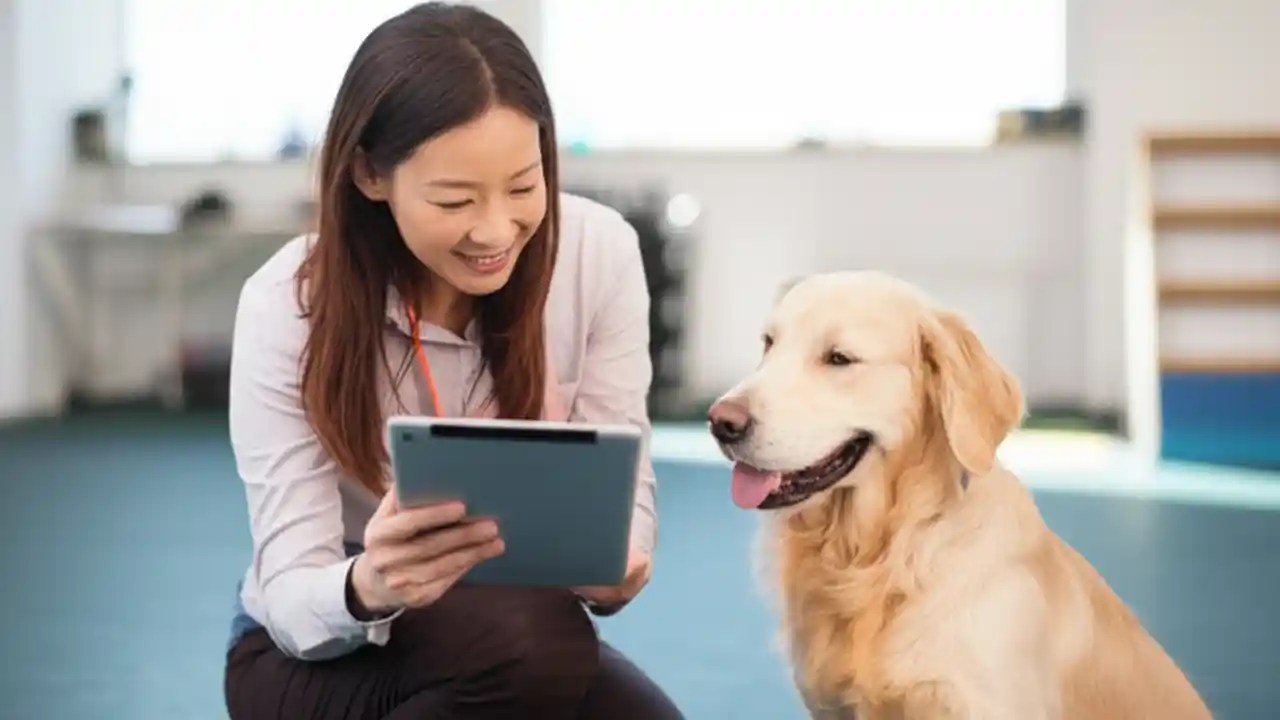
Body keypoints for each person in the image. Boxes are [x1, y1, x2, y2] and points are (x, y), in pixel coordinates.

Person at [221, 4, 683, 718]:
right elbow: (289, 594)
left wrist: (617, 563)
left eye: (525, 187)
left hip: (510, 627)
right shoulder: (288, 304)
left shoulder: (599, 252)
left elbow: (626, 469)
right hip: (315, 651)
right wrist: (372, 581)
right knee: (539, 644)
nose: (497, 230)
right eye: (455, 199)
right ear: (370, 175)